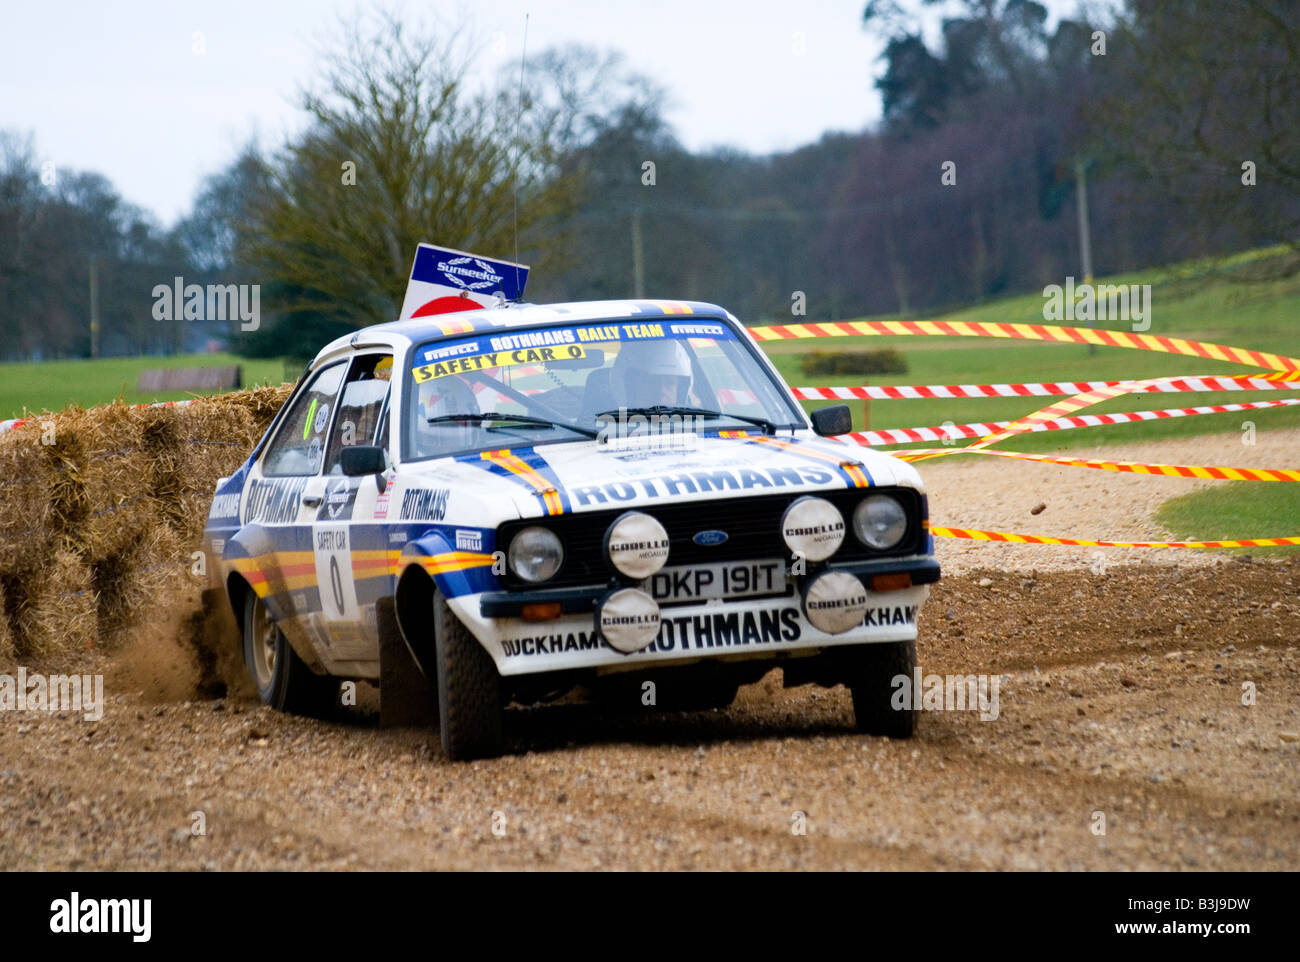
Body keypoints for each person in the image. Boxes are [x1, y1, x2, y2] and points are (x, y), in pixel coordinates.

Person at [610, 338, 694, 408]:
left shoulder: (697, 424)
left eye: (670, 383)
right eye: (652, 382)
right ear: (630, 387)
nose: (661, 391)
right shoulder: (612, 426)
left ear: (681, 392)